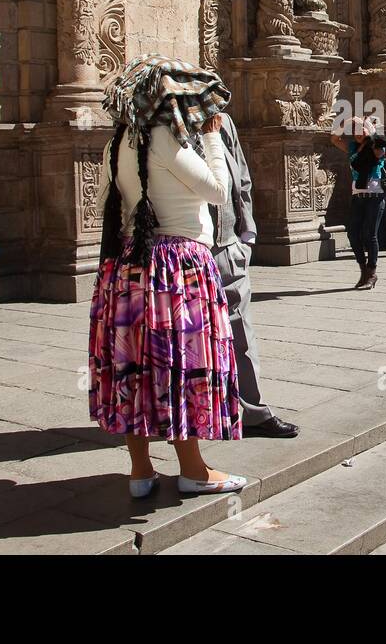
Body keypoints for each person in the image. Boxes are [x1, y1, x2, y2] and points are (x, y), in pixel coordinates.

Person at [91, 55, 244, 498]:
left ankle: (141, 471)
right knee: (182, 364)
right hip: (179, 267)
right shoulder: (163, 140)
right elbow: (218, 190)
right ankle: (194, 470)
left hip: (129, 267)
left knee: (133, 366)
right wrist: (213, 142)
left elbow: (109, 201)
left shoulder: (118, 140)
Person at [208, 112, 299, 438]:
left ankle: (252, 411)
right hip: (183, 251)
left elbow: (240, 177)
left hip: (227, 246)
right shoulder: (161, 125)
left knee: (240, 332)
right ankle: (191, 411)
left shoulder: (223, 121)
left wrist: (247, 234)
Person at [333, 117, 386, 290]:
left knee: (370, 234)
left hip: (375, 195)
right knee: (353, 233)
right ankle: (364, 269)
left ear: (369, 130)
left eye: (362, 129)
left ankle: (371, 272)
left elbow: (380, 148)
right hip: (358, 196)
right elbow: (334, 139)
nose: (359, 133)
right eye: (356, 130)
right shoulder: (352, 148)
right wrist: (344, 124)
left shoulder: (376, 146)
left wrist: (369, 129)